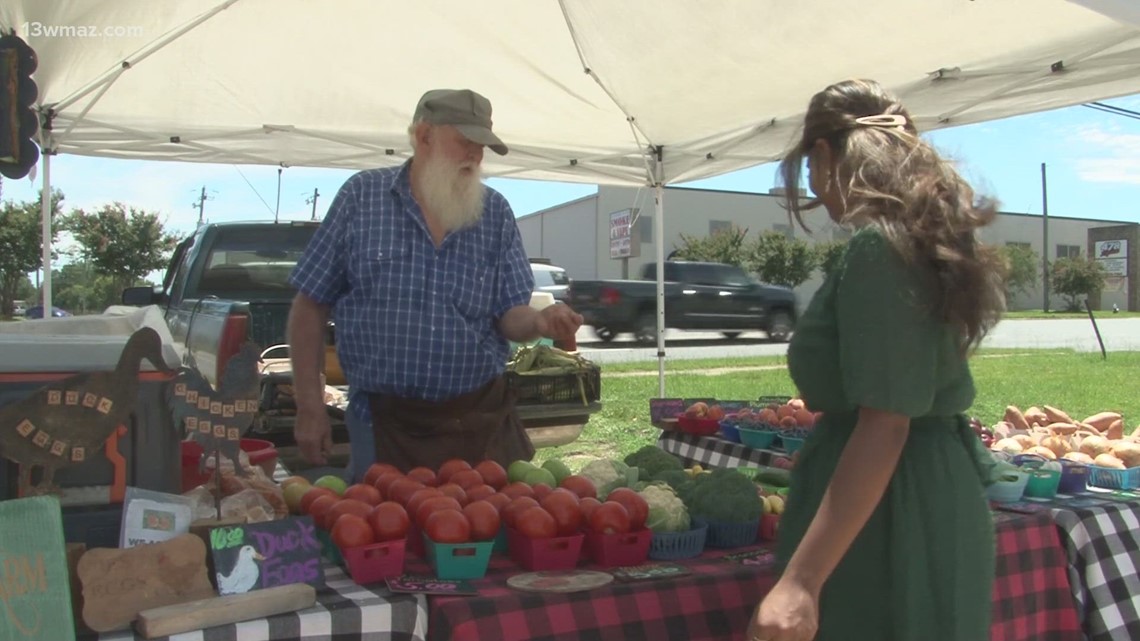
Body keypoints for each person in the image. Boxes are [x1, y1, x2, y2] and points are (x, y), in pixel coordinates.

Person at [747, 79, 1007, 641]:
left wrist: (801, 581)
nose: (817, 190)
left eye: (810, 174)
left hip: (887, 512)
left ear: (821, 155)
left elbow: (885, 424)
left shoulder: (878, 249)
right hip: (920, 491)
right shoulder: (914, 240)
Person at [286, 88, 583, 477]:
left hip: (477, 420)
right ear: (424, 136)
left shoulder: (494, 213)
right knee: (384, 531)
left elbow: (510, 313)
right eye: (465, 141)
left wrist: (540, 323)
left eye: (482, 146)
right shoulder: (362, 197)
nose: (475, 156)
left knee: (482, 533)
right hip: (383, 422)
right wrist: (310, 407)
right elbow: (309, 307)